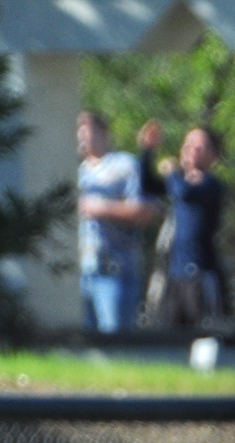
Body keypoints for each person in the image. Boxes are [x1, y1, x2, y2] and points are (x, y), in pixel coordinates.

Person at [76, 111, 158, 335]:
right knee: (85, 342)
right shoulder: (77, 172)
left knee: (115, 339)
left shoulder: (124, 165)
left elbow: (147, 211)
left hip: (115, 269)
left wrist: (102, 207)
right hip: (81, 270)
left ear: (103, 132)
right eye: (78, 130)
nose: (81, 136)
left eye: (86, 129)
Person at [161, 126, 230, 329]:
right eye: (189, 145)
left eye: (199, 147)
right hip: (176, 273)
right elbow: (149, 185)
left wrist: (172, 172)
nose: (192, 150)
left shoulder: (211, 185)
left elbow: (185, 193)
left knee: (203, 330)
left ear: (213, 154)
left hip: (200, 272)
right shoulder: (179, 182)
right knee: (171, 332)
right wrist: (147, 152)